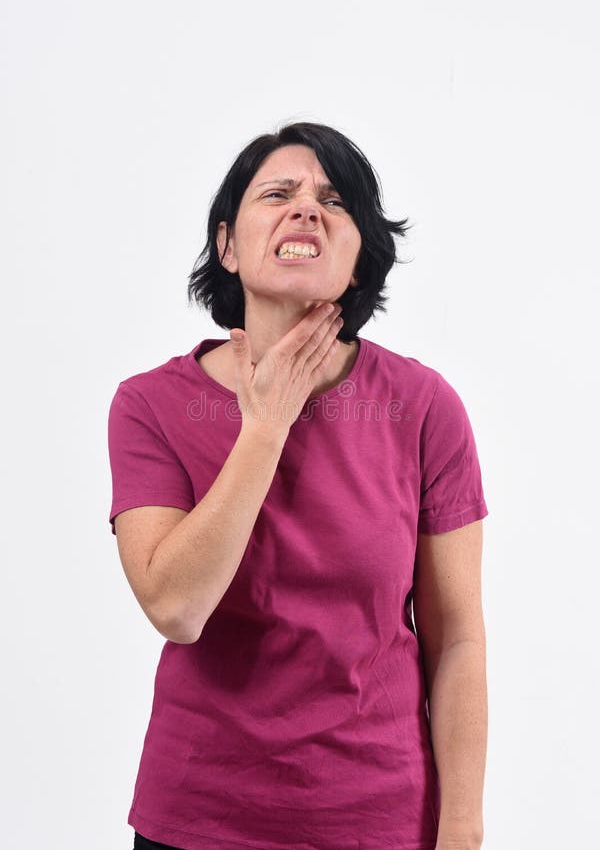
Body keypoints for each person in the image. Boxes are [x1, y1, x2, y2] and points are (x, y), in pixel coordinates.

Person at [108, 121, 489, 850]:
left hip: (380, 820)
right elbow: (176, 606)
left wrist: (462, 830)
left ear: (358, 259)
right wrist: (266, 424)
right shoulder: (150, 405)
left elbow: (458, 642)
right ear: (227, 244)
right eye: (277, 193)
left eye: (333, 201)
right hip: (198, 820)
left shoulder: (423, 406)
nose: (305, 209)